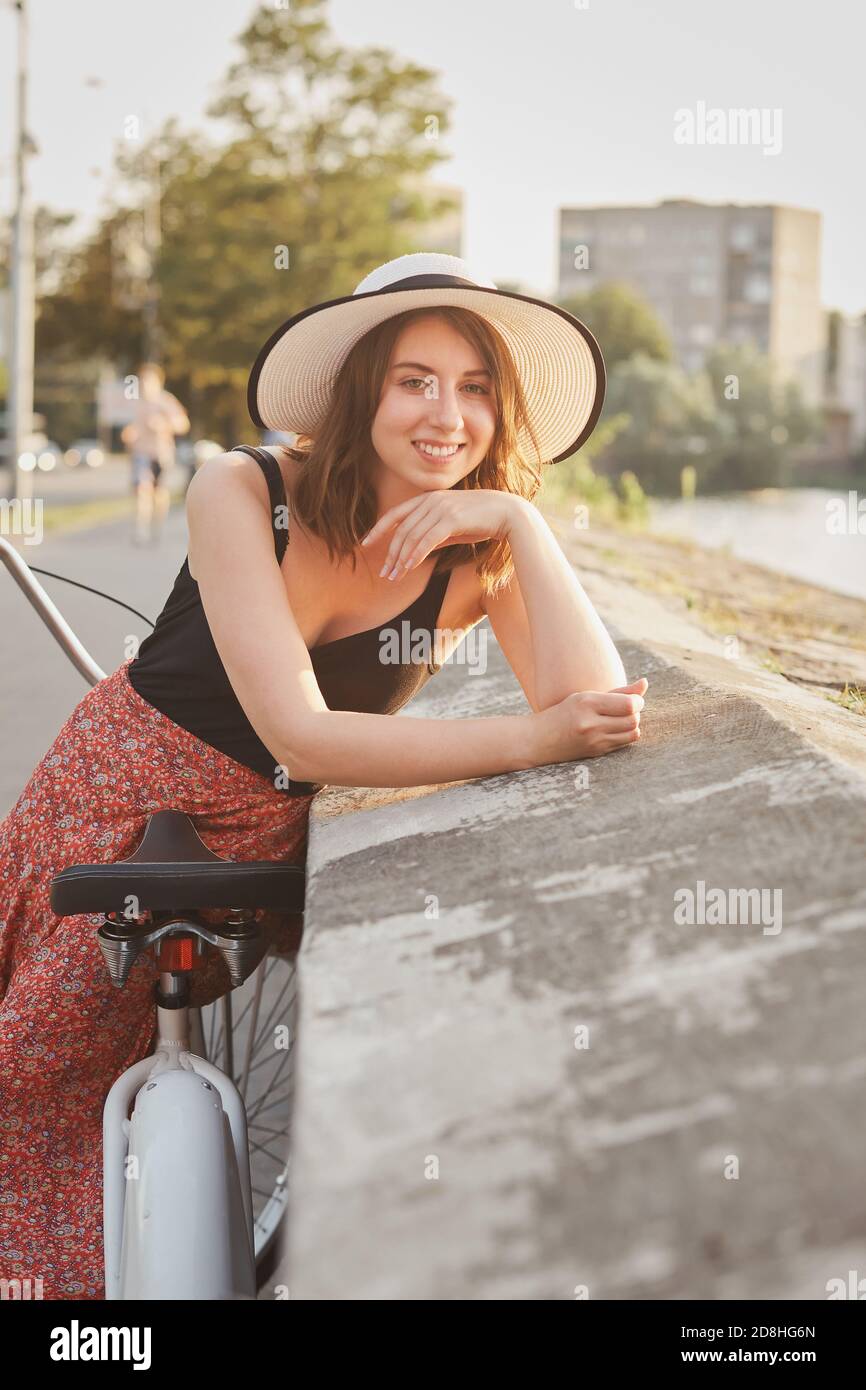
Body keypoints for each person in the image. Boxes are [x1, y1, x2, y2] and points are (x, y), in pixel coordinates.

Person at [0, 251, 647, 1299]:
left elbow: (597, 706)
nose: (447, 414)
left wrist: (522, 526)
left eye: (476, 387)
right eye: (414, 380)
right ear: (360, 392)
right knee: (34, 1088)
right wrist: (532, 740)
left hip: (266, 833)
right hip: (115, 796)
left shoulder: (473, 555)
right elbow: (298, 734)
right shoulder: (239, 486)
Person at [120, 361, 190, 544]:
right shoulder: (135, 403)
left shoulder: (166, 401)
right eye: (143, 381)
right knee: (142, 489)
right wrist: (129, 433)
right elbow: (131, 427)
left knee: (159, 494)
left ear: (158, 382)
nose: (145, 385)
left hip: (161, 454)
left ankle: (156, 527)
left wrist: (163, 425)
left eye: (149, 381)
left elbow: (183, 425)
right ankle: (140, 530)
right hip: (141, 453)